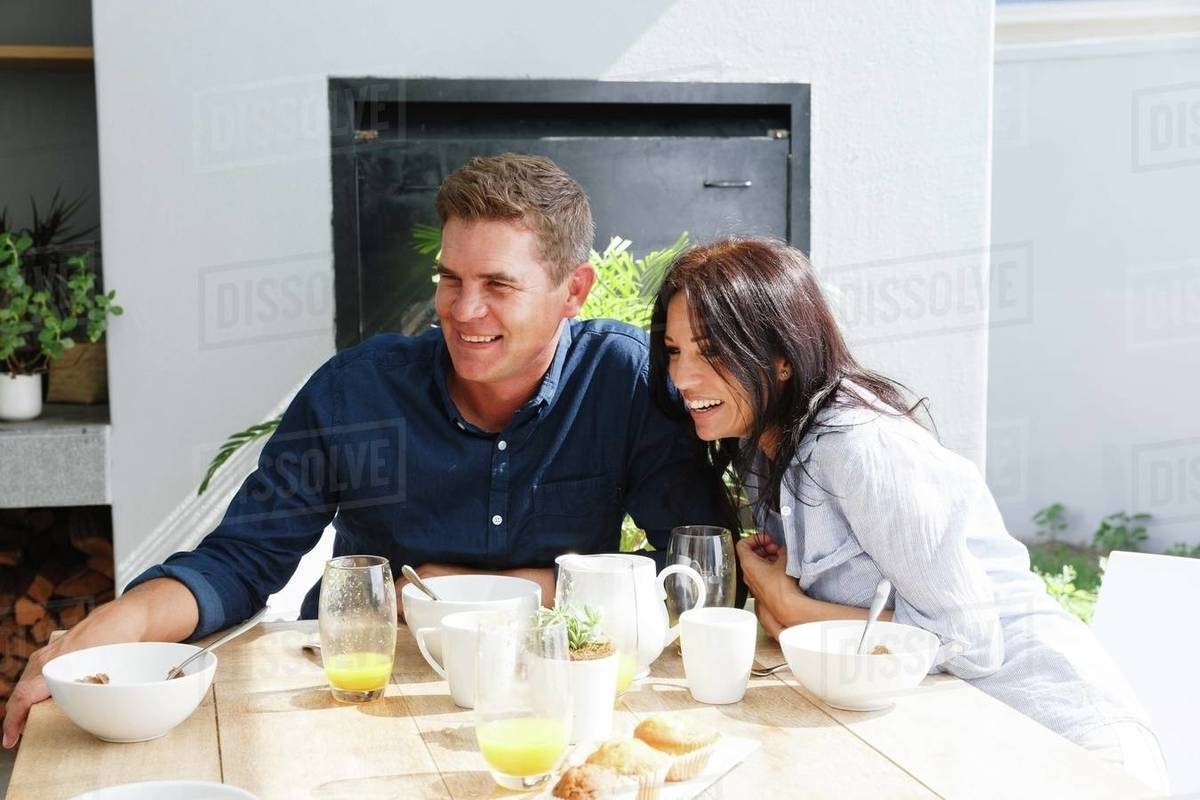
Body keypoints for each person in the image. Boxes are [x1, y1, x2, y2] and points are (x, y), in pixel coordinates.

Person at [1, 154, 732, 749]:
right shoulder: (359, 393)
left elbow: (694, 569)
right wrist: (113, 628)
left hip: (550, 694)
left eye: (498, 285)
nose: (464, 309)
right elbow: (241, 560)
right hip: (358, 697)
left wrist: (504, 592)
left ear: (574, 291)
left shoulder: (627, 381)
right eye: (451, 279)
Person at [649, 237, 1169, 793]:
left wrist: (790, 603)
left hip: (1058, 738)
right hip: (950, 737)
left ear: (780, 356)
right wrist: (790, 602)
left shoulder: (857, 442)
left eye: (711, 351)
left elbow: (964, 637)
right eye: (675, 350)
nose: (682, 377)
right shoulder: (767, 445)